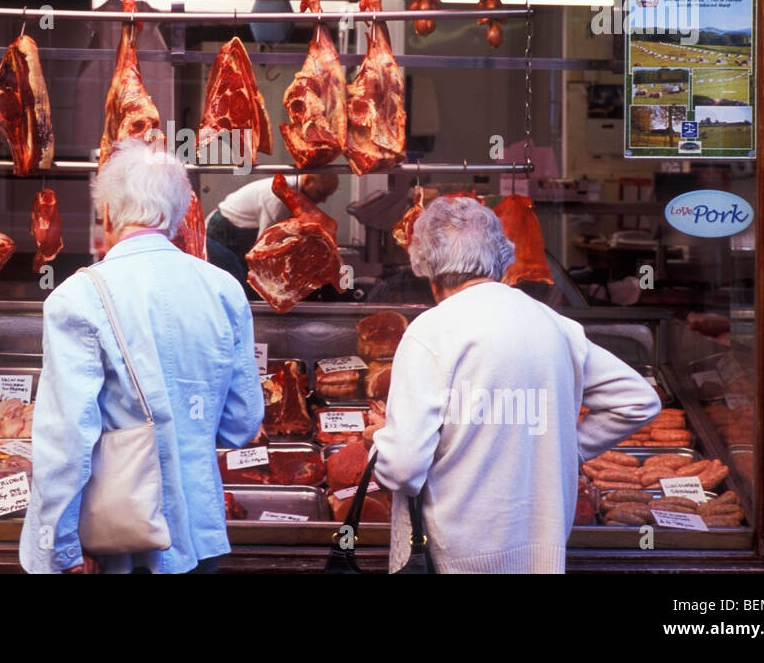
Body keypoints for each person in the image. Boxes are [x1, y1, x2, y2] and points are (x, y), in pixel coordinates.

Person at [371, 196, 661, 573]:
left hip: (455, 558)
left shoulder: (431, 332)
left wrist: (378, 444)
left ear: (427, 267)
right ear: (501, 256)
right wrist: (562, 449)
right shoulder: (554, 323)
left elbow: (402, 470)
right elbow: (638, 400)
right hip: (544, 554)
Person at [19, 137, 265, 574]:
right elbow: (241, 424)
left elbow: (66, 442)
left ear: (108, 212)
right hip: (198, 538)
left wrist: (59, 549)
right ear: (177, 213)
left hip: (118, 544)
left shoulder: (76, 297)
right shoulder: (225, 288)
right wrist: (186, 431)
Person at [205, 173, 339, 283]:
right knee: (233, 281)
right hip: (225, 229)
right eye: (321, 193)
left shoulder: (294, 192)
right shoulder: (280, 195)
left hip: (242, 231)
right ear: (308, 181)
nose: (323, 200)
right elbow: (264, 245)